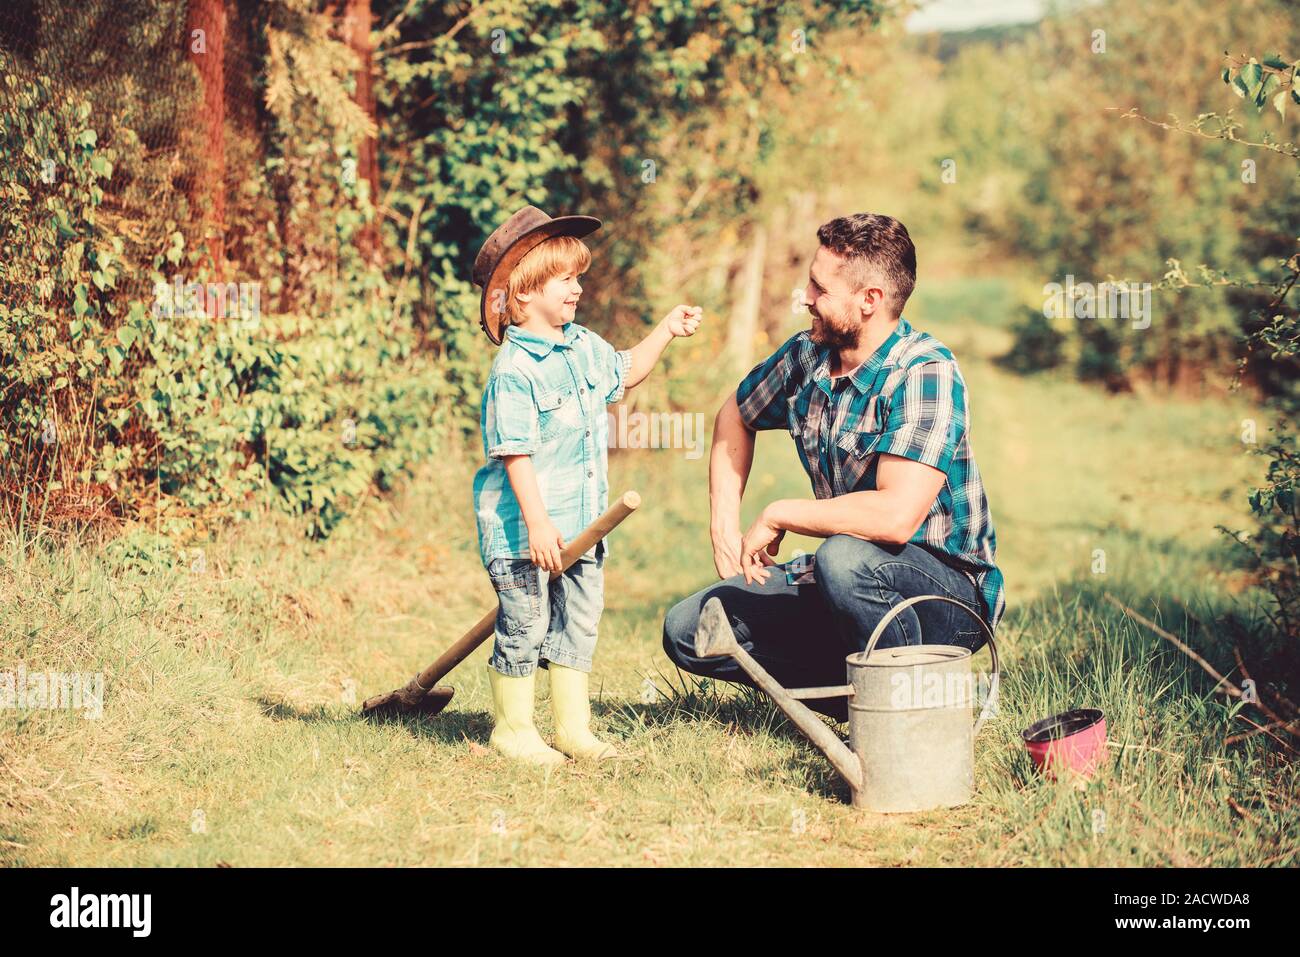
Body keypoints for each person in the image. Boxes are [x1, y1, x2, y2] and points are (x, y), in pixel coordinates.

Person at [661, 212, 1003, 721]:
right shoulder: (808, 356)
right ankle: (864, 692)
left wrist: (780, 513)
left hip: (945, 597)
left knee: (842, 559)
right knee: (692, 628)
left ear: (870, 301)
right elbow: (736, 413)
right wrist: (723, 526)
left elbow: (895, 518)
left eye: (819, 288)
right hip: (849, 582)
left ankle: (909, 718)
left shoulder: (925, 371)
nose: (804, 297)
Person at [470, 205, 702, 763]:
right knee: (525, 622)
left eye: (579, 277)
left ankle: (574, 729)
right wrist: (538, 523)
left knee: (577, 621)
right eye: (565, 279)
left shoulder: (582, 345)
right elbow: (515, 453)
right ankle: (513, 728)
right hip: (528, 529)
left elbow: (624, 372)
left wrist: (666, 331)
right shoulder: (515, 370)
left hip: (586, 522)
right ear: (524, 295)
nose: (577, 289)